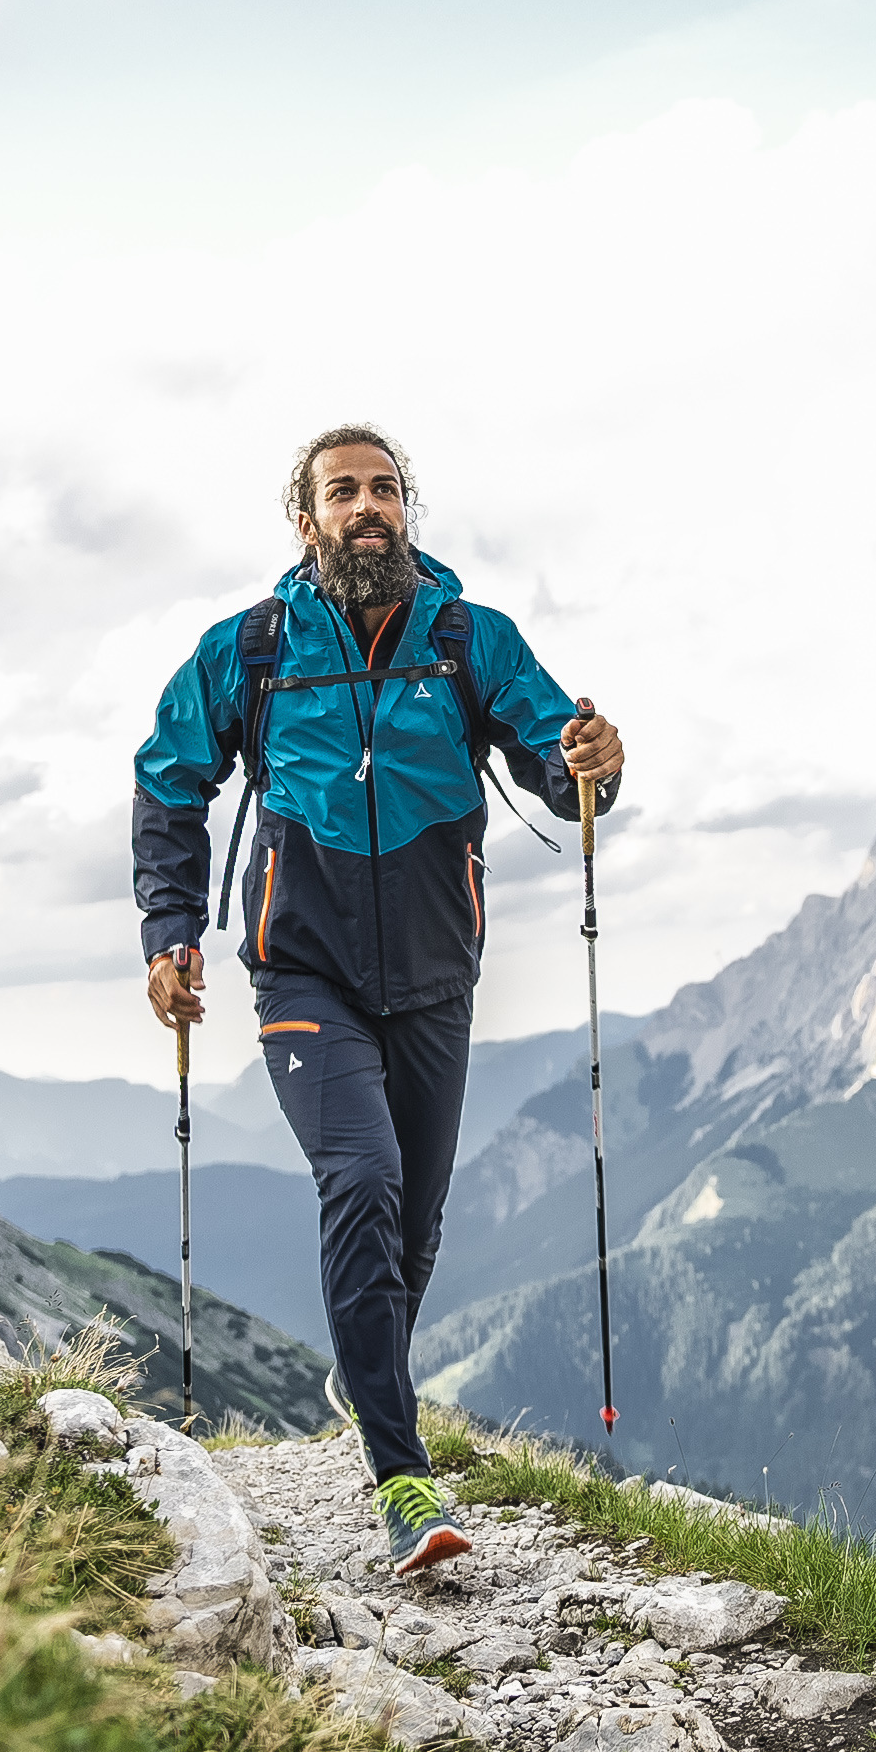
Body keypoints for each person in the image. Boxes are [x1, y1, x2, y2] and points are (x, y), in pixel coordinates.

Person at [131, 424, 623, 1571]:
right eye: (342, 491)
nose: (368, 507)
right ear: (304, 522)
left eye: (386, 490)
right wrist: (169, 932)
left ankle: (365, 1383)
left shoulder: (468, 640)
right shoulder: (250, 652)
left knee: (415, 1224)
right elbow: (170, 781)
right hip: (300, 967)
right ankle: (402, 1477)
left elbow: (564, 760)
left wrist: (594, 759)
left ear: (409, 512)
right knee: (361, 1177)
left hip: (438, 975)